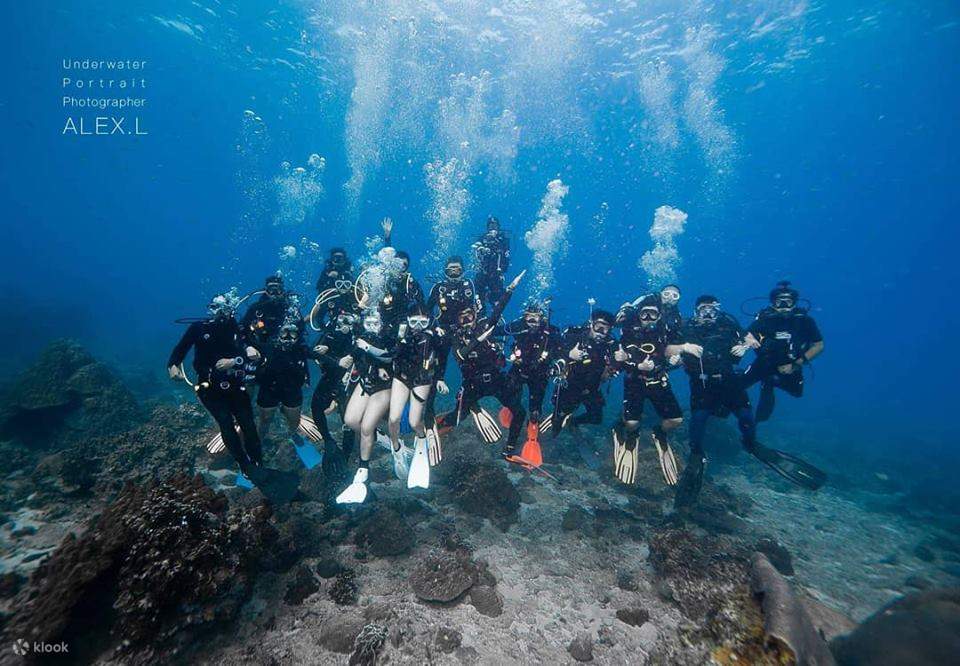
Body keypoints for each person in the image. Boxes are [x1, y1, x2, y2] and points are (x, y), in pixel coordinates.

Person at [168, 293, 263, 479]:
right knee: (226, 424)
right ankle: (244, 464)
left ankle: (258, 462)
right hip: (209, 388)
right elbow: (180, 349)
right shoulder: (198, 328)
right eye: (215, 308)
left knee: (249, 425)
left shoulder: (239, 328)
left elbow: (258, 355)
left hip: (236, 385)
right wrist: (172, 366)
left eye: (224, 309)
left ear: (231, 310)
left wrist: (235, 360)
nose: (219, 313)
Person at [673, 295, 756, 506]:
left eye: (712, 309)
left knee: (746, 416)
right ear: (695, 311)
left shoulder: (728, 323)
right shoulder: (687, 327)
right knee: (699, 418)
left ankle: (749, 442)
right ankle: (696, 451)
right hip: (702, 383)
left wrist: (745, 347)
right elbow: (668, 348)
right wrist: (682, 348)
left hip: (729, 379)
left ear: (718, 309)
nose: (708, 314)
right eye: (703, 309)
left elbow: (753, 339)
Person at [612, 296, 701, 486]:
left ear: (659, 316)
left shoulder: (665, 331)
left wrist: (682, 351)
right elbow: (624, 350)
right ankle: (627, 430)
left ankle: (659, 433)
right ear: (638, 315)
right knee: (632, 423)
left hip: (657, 380)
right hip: (635, 381)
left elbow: (669, 350)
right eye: (644, 314)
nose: (648, 318)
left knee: (676, 420)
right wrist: (629, 360)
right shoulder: (630, 329)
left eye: (653, 314)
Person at [441, 271, 526, 459]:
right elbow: (460, 356)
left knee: (519, 412)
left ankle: (509, 449)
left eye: (469, 316)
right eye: (462, 318)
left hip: (496, 380)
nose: (466, 321)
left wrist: (510, 290)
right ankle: (438, 427)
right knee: (458, 417)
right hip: (472, 384)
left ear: (475, 314)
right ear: (457, 320)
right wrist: (478, 340)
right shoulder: (456, 337)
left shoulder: (485, 325)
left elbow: (498, 311)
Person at [336, 308, 398, 504]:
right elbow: (354, 359)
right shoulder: (359, 338)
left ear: (381, 324)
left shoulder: (388, 337)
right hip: (365, 384)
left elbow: (389, 357)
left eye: (375, 323)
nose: (372, 327)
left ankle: (363, 470)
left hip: (384, 388)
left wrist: (367, 348)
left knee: (365, 427)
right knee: (350, 420)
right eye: (368, 323)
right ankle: (379, 437)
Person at [741, 281, 824, 422]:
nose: (784, 306)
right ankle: (750, 418)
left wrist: (797, 364)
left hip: (791, 364)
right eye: (780, 302)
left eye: (789, 302)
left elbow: (819, 345)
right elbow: (745, 335)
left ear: (795, 303)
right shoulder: (765, 319)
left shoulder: (804, 321)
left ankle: (770, 382)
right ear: (773, 303)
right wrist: (747, 339)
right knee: (737, 385)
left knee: (797, 392)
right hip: (765, 362)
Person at [546, 308, 618, 468]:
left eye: (606, 328)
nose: (601, 331)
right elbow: (554, 351)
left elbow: (622, 359)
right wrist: (568, 354)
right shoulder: (576, 336)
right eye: (598, 326)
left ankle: (574, 422)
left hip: (591, 388)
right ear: (591, 324)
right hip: (570, 387)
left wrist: (616, 364)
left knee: (597, 417)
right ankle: (550, 444)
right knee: (558, 419)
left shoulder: (610, 345)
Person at [388, 303, 449, 488]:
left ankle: (421, 439)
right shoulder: (401, 333)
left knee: (415, 422)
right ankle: (397, 450)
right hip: (401, 377)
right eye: (414, 322)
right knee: (393, 419)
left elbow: (443, 358)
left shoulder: (435, 337)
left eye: (423, 323)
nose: (417, 327)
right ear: (407, 321)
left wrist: (439, 378)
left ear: (429, 322)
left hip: (422, 379)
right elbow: (390, 354)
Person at [254, 319, 325, 470]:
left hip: (292, 390)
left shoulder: (301, 349)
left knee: (294, 420)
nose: (288, 337)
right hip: (269, 389)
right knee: (265, 420)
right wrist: (248, 349)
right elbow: (247, 343)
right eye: (284, 333)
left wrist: (335, 359)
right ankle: (257, 443)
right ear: (278, 334)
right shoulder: (268, 347)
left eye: (292, 334)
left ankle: (292, 435)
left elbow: (317, 356)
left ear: (298, 336)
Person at [503, 301, 561, 461]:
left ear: (542, 318)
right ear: (524, 317)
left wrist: (557, 364)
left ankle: (532, 439)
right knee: (513, 400)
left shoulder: (551, 332)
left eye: (536, 318)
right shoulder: (517, 327)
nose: (532, 322)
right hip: (519, 370)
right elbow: (499, 330)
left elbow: (560, 349)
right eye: (529, 318)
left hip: (539, 374)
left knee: (535, 411)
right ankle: (510, 438)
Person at [309, 310, 358, 478]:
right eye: (342, 322)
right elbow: (313, 353)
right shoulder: (330, 334)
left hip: (352, 380)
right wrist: (332, 356)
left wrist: (337, 398)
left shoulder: (359, 336)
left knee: (348, 419)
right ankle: (328, 441)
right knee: (315, 405)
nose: (346, 326)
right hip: (332, 376)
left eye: (350, 322)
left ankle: (345, 457)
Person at [242, 275, 301, 344]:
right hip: (260, 347)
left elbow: (301, 329)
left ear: (283, 291)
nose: (275, 293)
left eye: (278, 289)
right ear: (266, 291)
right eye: (271, 290)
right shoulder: (256, 308)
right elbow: (243, 328)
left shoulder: (290, 308)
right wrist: (247, 347)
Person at [472, 216, 510, 312]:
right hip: (483, 272)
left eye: (495, 225)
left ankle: (496, 317)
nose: (492, 228)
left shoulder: (503, 239)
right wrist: (481, 249)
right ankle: (480, 315)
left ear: (498, 227)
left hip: (496, 274)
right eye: (490, 226)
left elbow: (506, 256)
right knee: (478, 296)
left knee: (497, 299)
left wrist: (496, 244)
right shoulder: (482, 238)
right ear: (487, 228)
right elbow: (475, 251)